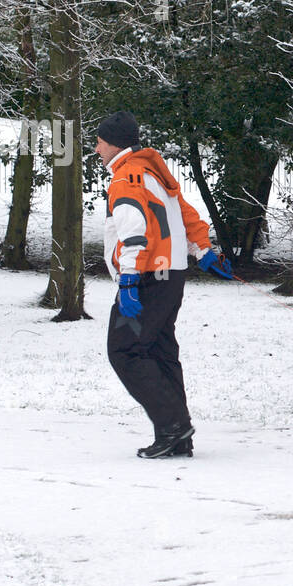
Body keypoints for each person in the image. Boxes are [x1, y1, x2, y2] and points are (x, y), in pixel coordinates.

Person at [97, 111, 234, 459]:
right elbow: (186, 216)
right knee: (159, 352)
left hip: (147, 278)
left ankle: (173, 425)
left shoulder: (126, 178)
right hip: (170, 275)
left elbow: (135, 235)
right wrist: (204, 252)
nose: (97, 149)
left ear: (114, 143)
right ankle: (177, 435)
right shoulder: (153, 172)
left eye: (99, 142)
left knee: (124, 352)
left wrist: (128, 282)